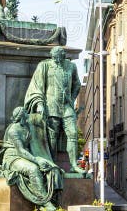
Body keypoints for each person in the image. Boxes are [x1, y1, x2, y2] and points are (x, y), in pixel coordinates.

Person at [24, 46, 84, 174]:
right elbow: (37, 86)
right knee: (53, 136)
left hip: (66, 106)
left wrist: (72, 98)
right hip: (51, 106)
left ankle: (73, 165)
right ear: (51, 56)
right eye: (54, 58)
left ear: (63, 56)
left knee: (73, 133)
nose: (57, 60)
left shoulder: (71, 66)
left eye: (59, 58)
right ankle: (52, 163)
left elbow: (77, 84)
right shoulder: (44, 66)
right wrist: (40, 104)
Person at [0, 107, 62, 210]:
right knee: (33, 169)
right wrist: (37, 160)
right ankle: (44, 201)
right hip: (12, 158)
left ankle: (54, 198)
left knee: (52, 167)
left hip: (26, 155)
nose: (27, 115)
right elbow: (21, 151)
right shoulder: (13, 130)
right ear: (21, 116)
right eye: (25, 113)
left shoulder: (27, 127)